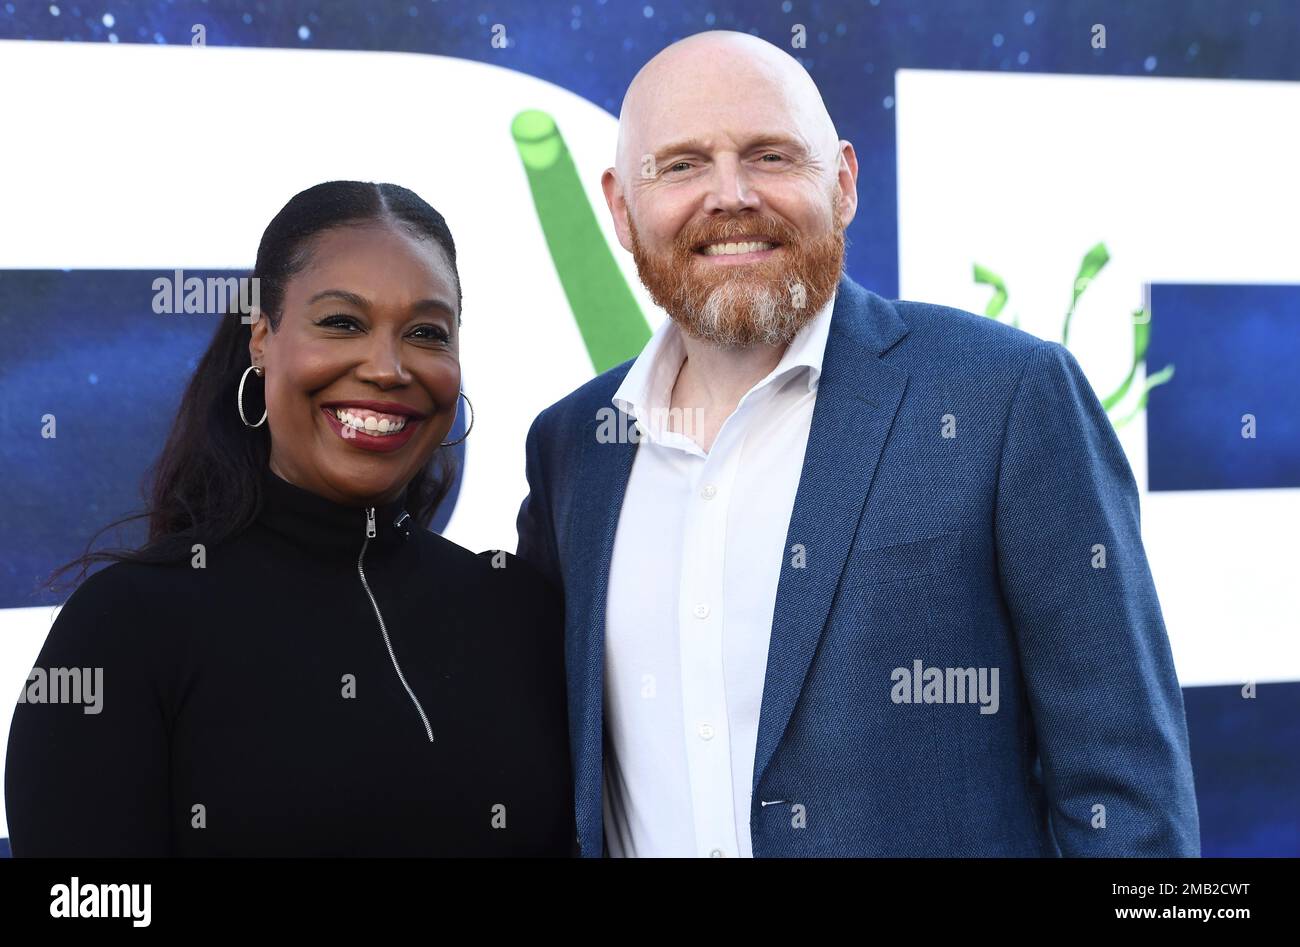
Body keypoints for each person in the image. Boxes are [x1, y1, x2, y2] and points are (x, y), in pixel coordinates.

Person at [516, 32, 1200, 858]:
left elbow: (1125, 789)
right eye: (683, 164)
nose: (730, 195)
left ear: (842, 183)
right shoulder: (572, 446)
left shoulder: (1006, 395)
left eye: (770, 155)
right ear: (622, 209)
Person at [6, 181, 574, 856]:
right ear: (262, 341)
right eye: (342, 323)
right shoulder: (125, 627)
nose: (388, 368)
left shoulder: (523, 612)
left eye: (426, 332)